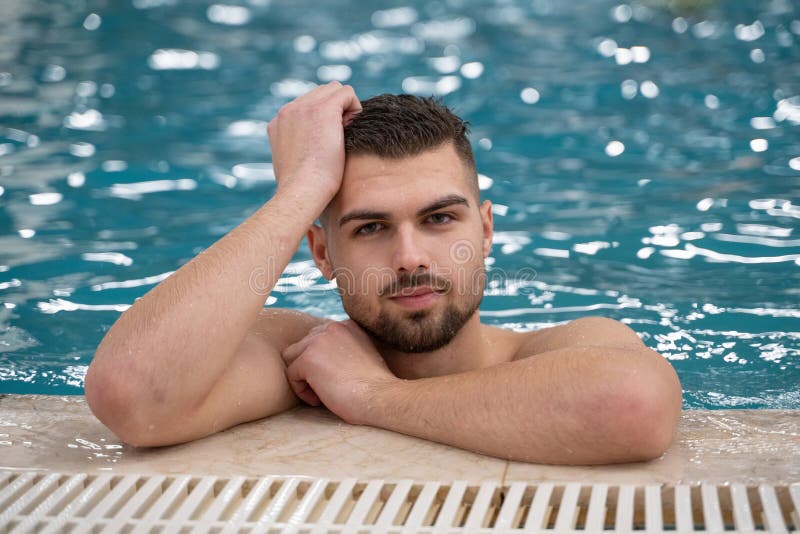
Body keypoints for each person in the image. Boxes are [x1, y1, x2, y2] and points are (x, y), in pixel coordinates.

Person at [84, 81, 682, 465]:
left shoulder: (563, 350)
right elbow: (134, 398)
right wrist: (300, 191)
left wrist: (374, 396)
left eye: (440, 219)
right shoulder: (303, 357)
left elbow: (633, 405)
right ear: (320, 253)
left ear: (487, 229)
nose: (411, 257)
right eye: (369, 228)